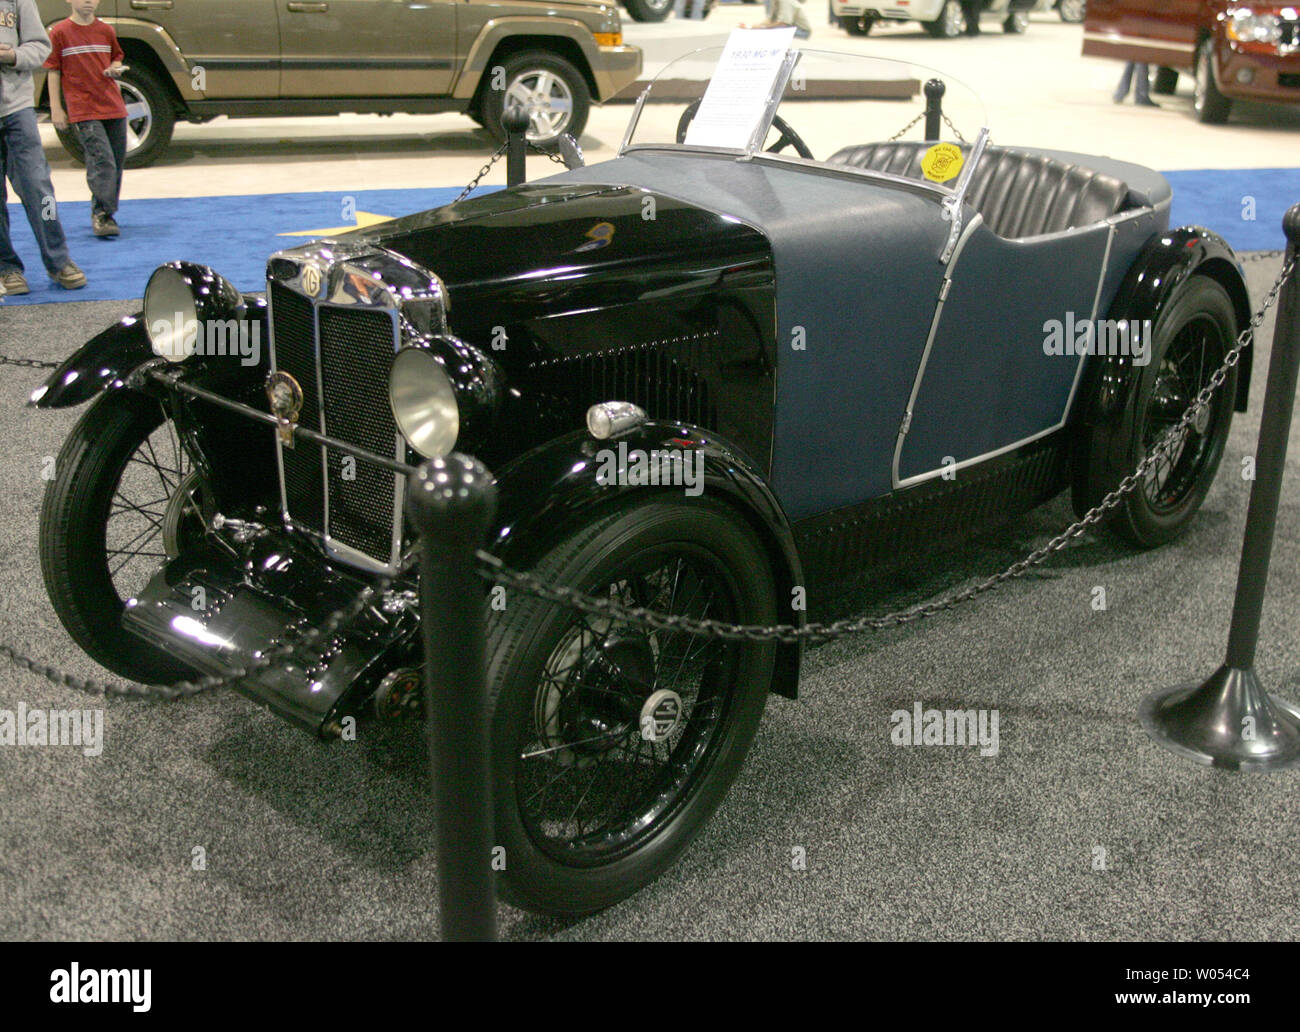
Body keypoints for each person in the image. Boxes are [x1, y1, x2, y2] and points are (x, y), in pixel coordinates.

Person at [0, 0, 86, 293]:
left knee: (40, 189)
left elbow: (39, 46)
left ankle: (59, 261)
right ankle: (7, 268)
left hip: (17, 109)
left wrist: (13, 55)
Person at [46, 0, 128, 237]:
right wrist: (56, 108)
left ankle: (107, 212)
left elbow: (117, 56)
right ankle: (102, 215)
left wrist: (115, 67)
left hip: (114, 106)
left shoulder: (106, 30)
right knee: (102, 161)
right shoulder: (60, 32)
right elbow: (53, 70)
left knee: (116, 162)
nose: (89, 1)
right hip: (84, 109)